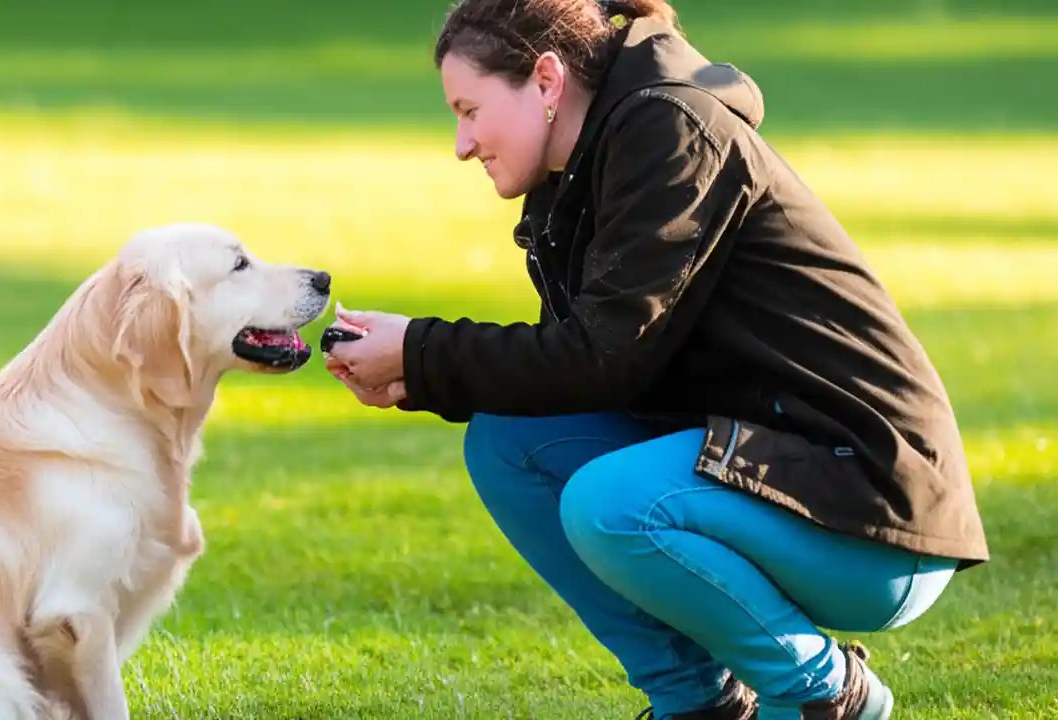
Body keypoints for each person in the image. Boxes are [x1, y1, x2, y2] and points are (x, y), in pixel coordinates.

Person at [323, 1, 989, 718]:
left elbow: (604, 360)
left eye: (469, 109)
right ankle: (699, 702)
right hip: (783, 479)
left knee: (607, 506)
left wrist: (420, 350)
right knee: (510, 443)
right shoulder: (582, 166)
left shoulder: (668, 130)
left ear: (546, 81)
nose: (461, 143)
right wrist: (413, 368)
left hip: (873, 516)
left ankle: (823, 693)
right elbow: (577, 374)